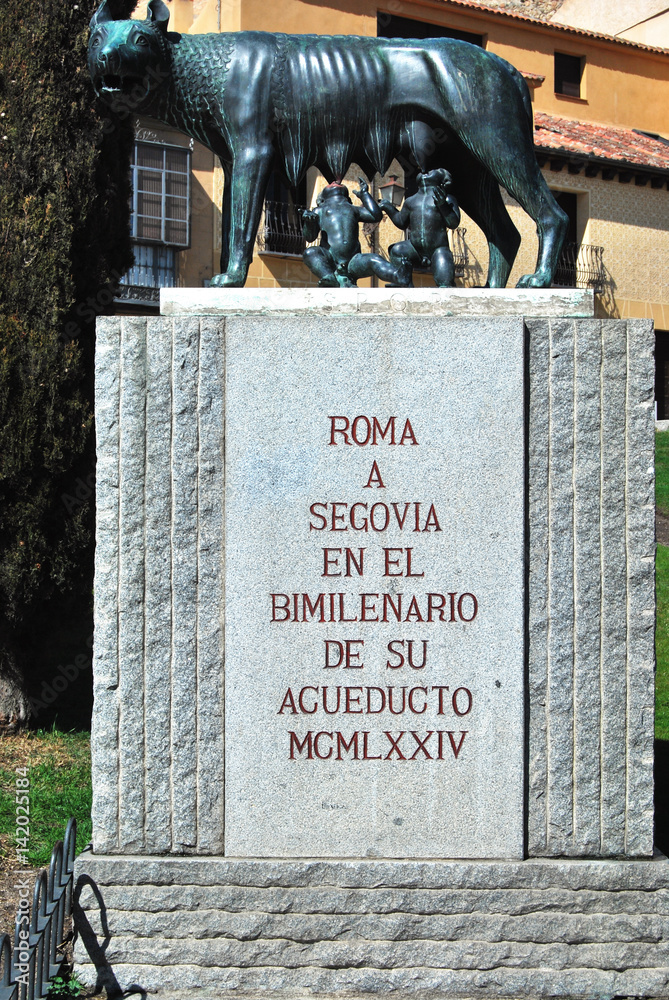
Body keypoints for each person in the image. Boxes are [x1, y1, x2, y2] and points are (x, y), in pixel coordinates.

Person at [380, 169, 461, 287]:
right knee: (397, 250)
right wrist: (389, 208)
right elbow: (401, 222)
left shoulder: (447, 198)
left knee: (445, 285)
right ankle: (404, 283)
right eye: (422, 171)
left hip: (438, 249)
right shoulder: (410, 201)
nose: (425, 171)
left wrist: (442, 205)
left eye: (433, 169)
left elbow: (453, 223)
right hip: (414, 249)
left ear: (443, 180)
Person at [302, 178, 382, 287]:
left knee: (376, 259)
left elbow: (375, 215)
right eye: (331, 183)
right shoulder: (319, 211)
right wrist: (309, 223)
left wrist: (365, 194)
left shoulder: (354, 209)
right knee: (310, 253)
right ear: (323, 198)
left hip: (353, 261)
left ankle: (398, 276)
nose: (335, 181)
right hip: (330, 259)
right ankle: (329, 277)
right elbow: (309, 237)